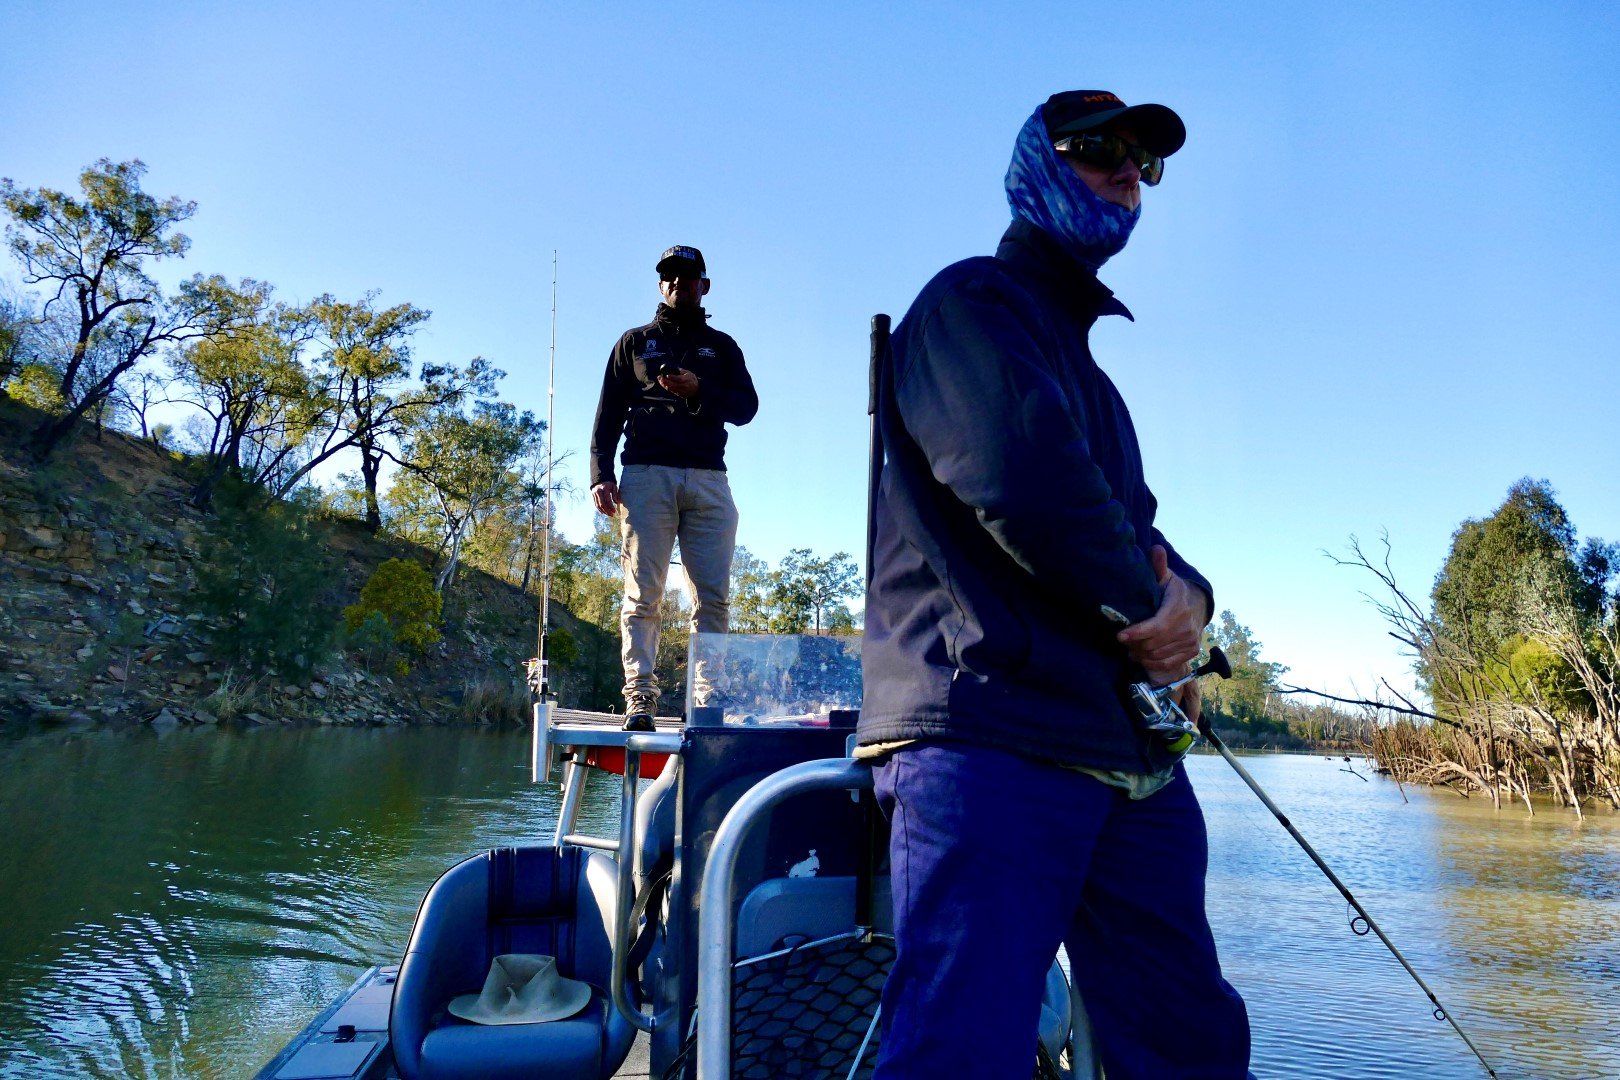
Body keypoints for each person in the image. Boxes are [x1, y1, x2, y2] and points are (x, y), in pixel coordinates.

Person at [857, 91, 1252, 1078]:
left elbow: (1144, 534)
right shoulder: (968, 307)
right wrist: (1156, 623)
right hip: (986, 739)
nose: (1129, 172)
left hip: (1123, 760)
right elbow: (1025, 483)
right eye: (1100, 151)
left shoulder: (1095, 384)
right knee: (962, 1049)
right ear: (1035, 163)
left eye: (1144, 164)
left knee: (1190, 1040)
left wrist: (1192, 614)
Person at [590, 245, 758, 722]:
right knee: (643, 594)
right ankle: (640, 695)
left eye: (688, 276)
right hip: (646, 477)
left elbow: (746, 408)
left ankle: (707, 699)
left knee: (713, 598)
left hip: (709, 480)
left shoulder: (722, 347)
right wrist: (600, 476)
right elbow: (607, 415)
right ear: (660, 284)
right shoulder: (634, 342)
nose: (677, 283)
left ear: (704, 285)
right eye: (669, 276)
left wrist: (700, 389)